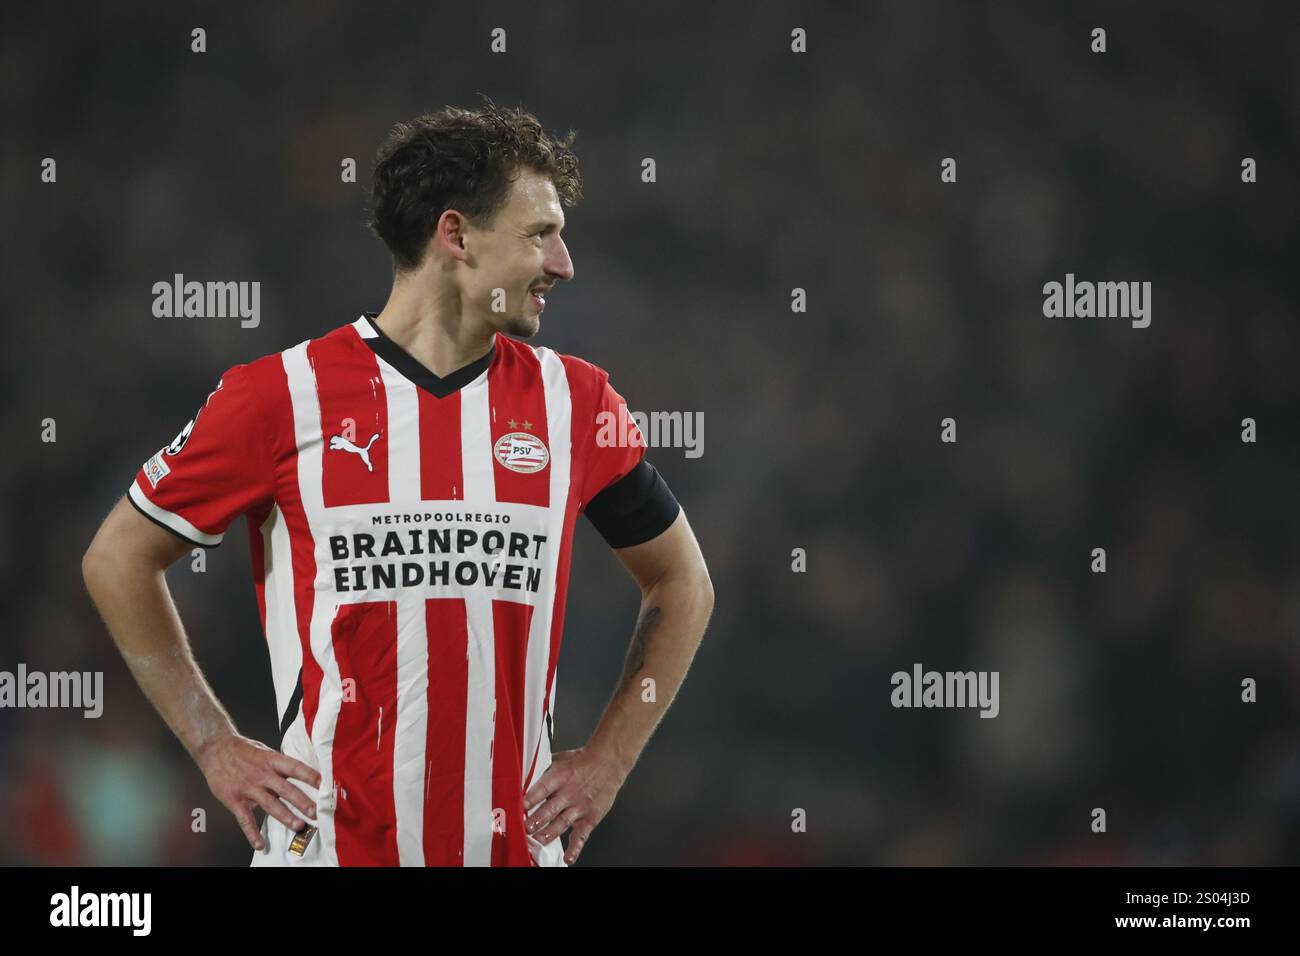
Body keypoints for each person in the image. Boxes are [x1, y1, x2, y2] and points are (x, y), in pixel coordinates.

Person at [82, 100, 715, 866]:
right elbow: (118, 557)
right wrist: (214, 742)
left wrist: (609, 761)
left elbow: (682, 582)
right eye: (540, 234)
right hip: (325, 851)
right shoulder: (280, 396)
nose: (563, 264)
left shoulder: (575, 404)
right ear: (455, 235)